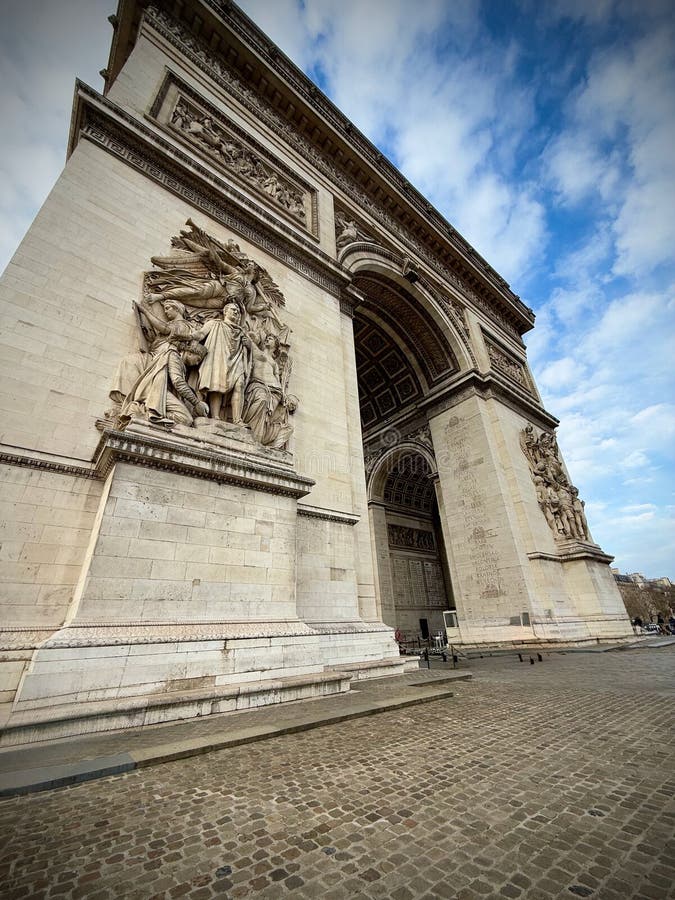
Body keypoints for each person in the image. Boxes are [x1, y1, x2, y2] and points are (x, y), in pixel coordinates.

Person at [196, 303, 251, 423]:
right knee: (217, 385)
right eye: (233, 310)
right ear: (225, 312)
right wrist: (185, 337)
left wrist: (248, 346)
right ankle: (215, 416)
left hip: (237, 359)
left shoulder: (241, 332)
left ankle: (237, 420)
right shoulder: (215, 324)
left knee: (240, 384)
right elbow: (200, 335)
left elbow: (251, 352)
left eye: (238, 311)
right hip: (219, 357)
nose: (236, 312)